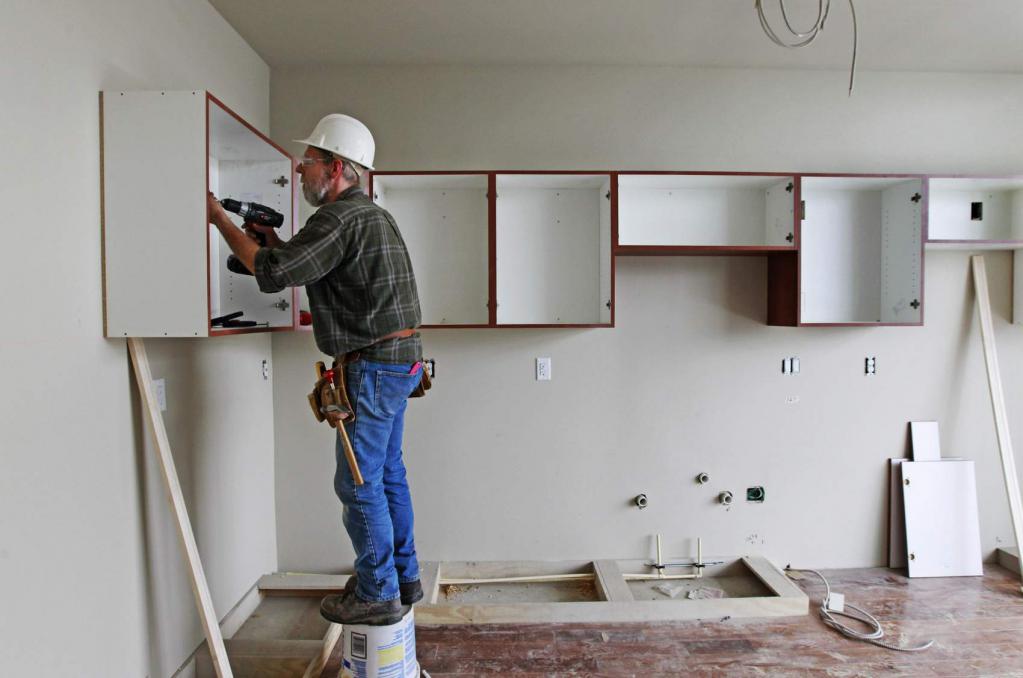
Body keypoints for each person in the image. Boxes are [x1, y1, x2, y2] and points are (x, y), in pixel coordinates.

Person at [207, 114, 423, 626]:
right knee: (388, 473)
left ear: (338, 168)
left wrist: (220, 220)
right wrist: (270, 243)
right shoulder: (368, 215)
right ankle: (401, 576)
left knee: (357, 482)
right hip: (400, 363)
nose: (301, 168)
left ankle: (377, 593)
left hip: (371, 368)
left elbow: (273, 275)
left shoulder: (337, 219)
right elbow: (299, 265)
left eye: (310, 160)